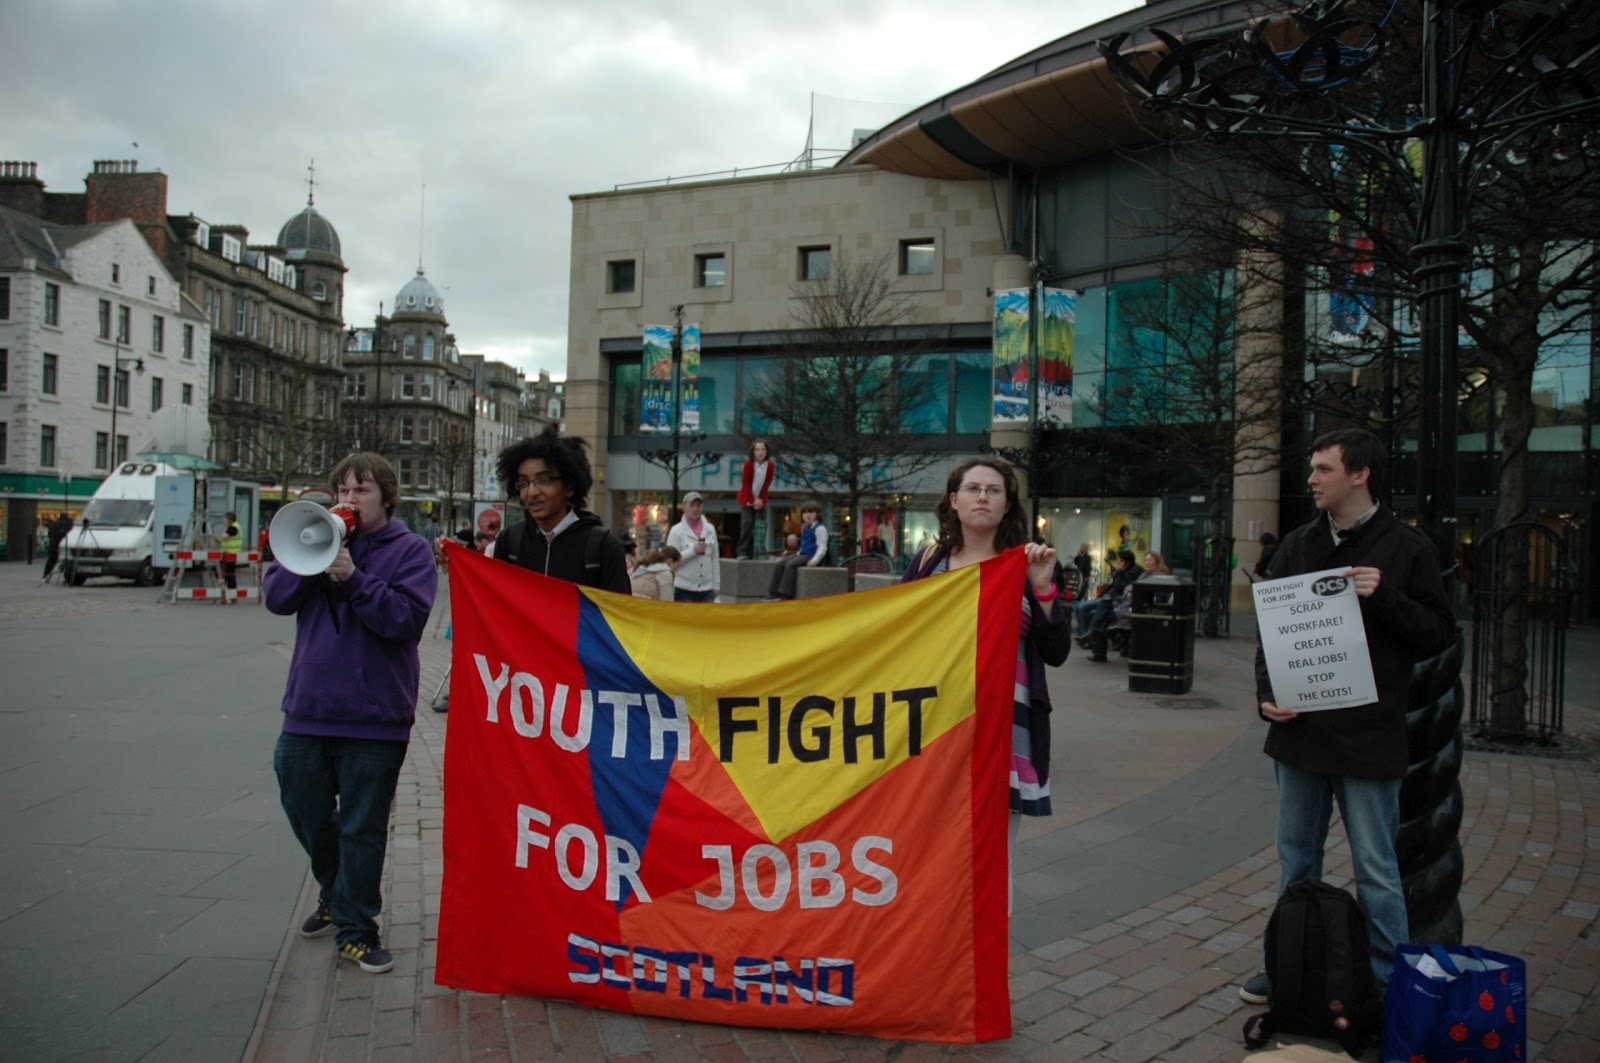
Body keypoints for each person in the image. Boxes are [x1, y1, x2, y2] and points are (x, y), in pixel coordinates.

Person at [1239, 428, 1455, 1005]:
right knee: (1296, 864)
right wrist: (1267, 695)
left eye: (1323, 470)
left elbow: (1438, 633)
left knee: (1377, 868)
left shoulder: (1408, 548)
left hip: (1367, 737)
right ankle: (1284, 965)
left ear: (1359, 475)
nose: (1311, 480)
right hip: (1300, 734)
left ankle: (1388, 983)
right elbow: (1272, 633)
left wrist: (1384, 596)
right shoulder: (1299, 544)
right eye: (1312, 469)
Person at [263, 453, 438, 975]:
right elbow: (275, 598)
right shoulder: (315, 534)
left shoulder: (410, 551)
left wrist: (354, 577)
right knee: (303, 804)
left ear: (387, 496)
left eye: (360, 490)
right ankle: (337, 893)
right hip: (309, 709)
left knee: (362, 826)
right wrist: (313, 556)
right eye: (341, 489)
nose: (348, 499)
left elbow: (405, 621)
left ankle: (357, 929)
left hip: (374, 716)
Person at [900, 458, 1070, 909]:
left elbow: (1056, 652)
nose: (982, 497)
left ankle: (988, 967)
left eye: (993, 490)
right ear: (953, 501)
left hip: (1002, 736)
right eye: (972, 489)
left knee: (994, 861)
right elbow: (895, 636)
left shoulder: (1027, 565)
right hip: (934, 731)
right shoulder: (928, 563)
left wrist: (1045, 589)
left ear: (1007, 503)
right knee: (929, 855)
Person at [491, 426, 632, 594]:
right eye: (523, 483)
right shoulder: (509, 542)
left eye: (544, 480)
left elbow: (618, 615)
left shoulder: (602, 547)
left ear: (569, 487)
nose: (532, 492)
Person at [765, 500, 828, 600]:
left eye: (811, 512)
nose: (808, 515)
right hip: (801, 554)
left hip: (810, 556)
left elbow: (822, 547)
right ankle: (774, 592)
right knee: (780, 564)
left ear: (817, 514)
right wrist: (797, 553)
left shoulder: (820, 528)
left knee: (791, 565)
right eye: (805, 512)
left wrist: (815, 560)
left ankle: (786, 594)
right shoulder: (805, 527)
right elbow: (804, 544)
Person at [666, 491, 720, 601]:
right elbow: (670, 561)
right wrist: (692, 551)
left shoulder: (710, 529)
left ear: (702, 507)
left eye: (698, 505)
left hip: (707, 590)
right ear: (684, 508)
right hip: (684, 589)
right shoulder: (676, 531)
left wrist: (716, 585)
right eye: (691, 505)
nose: (695, 509)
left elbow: (715, 559)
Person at [736, 438, 774, 559]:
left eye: (763, 449)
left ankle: (759, 551)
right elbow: (746, 484)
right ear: (753, 451)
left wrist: (760, 500)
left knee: (761, 525)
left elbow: (767, 484)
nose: (760, 452)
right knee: (747, 523)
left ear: (767, 451)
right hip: (747, 498)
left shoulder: (771, 465)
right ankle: (743, 551)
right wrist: (752, 501)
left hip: (761, 500)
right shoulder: (748, 464)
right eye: (757, 449)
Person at [219, 511, 242, 604]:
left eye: (225, 519)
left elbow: (224, 537)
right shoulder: (234, 527)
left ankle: (232, 596)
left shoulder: (233, 528)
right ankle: (229, 596)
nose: (224, 521)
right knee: (228, 575)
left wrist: (223, 530)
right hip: (228, 554)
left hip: (231, 554)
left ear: (230, 520)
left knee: (230, 576)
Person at [42, 512, 71, 582]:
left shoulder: (54, 524)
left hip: (53, 545)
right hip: (60, 545)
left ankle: (46, 575)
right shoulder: (66, 524)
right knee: (66, 562)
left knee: (51, 561)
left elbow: (50, 535)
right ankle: (68, 577)